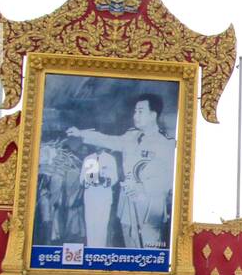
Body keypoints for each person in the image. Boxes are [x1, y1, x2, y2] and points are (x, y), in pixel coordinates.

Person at [67, 93, 175, 249]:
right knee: (130, 250)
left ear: (153, 115)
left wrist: (142, 189)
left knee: (149, 253)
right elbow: (108, 140)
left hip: (149, 209)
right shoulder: (131, 136)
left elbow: (167, 179)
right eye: (135, 111)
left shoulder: (165, 143)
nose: (135, 115)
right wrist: (82, 134)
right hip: (127, 208)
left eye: (140, 111)